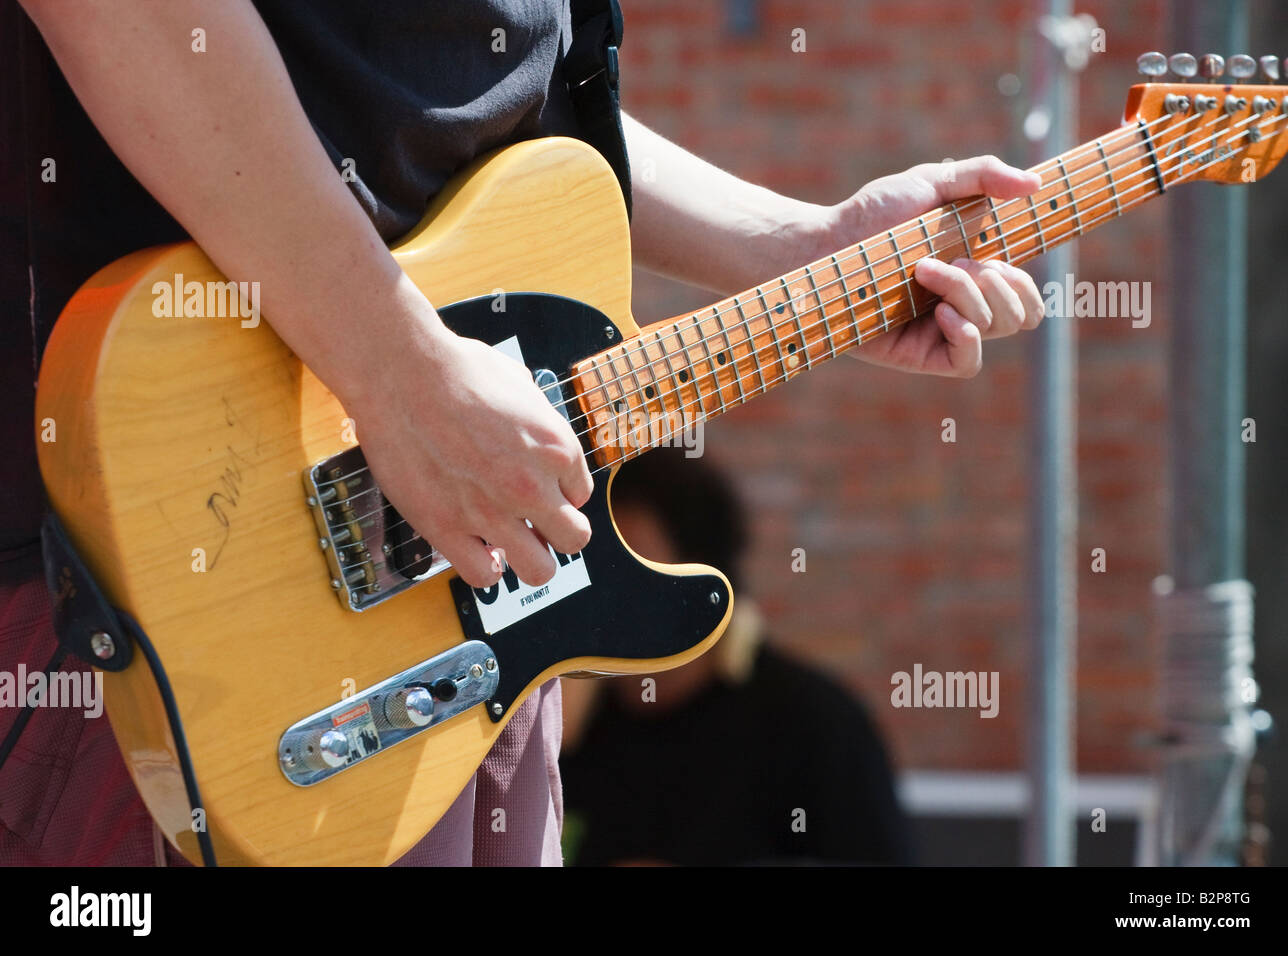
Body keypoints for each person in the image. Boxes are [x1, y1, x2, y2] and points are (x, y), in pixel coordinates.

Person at [1, 0, 1044, 866]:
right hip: (164, 580)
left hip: (460, 620)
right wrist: (396, 369)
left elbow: (517, 132)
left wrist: (806, 245)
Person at [561, 448, 912, 866]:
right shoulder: (568, 718)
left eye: (628, 567)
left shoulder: (811, 722)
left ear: (696, 582)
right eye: (587, 564)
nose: (600, 594)